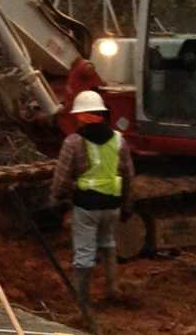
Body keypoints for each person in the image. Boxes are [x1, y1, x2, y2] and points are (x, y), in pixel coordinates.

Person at [49, 90, 135, 334]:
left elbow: (62, 177)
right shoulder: (119, 140)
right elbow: (128, 175)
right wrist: (128, 205)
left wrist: (56, 199)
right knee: (107, 242)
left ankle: (83, 305)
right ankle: (112, 289)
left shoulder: (74, 142)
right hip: (112, 206)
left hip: (86, 207)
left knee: (84, 254)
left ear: (83, 116)